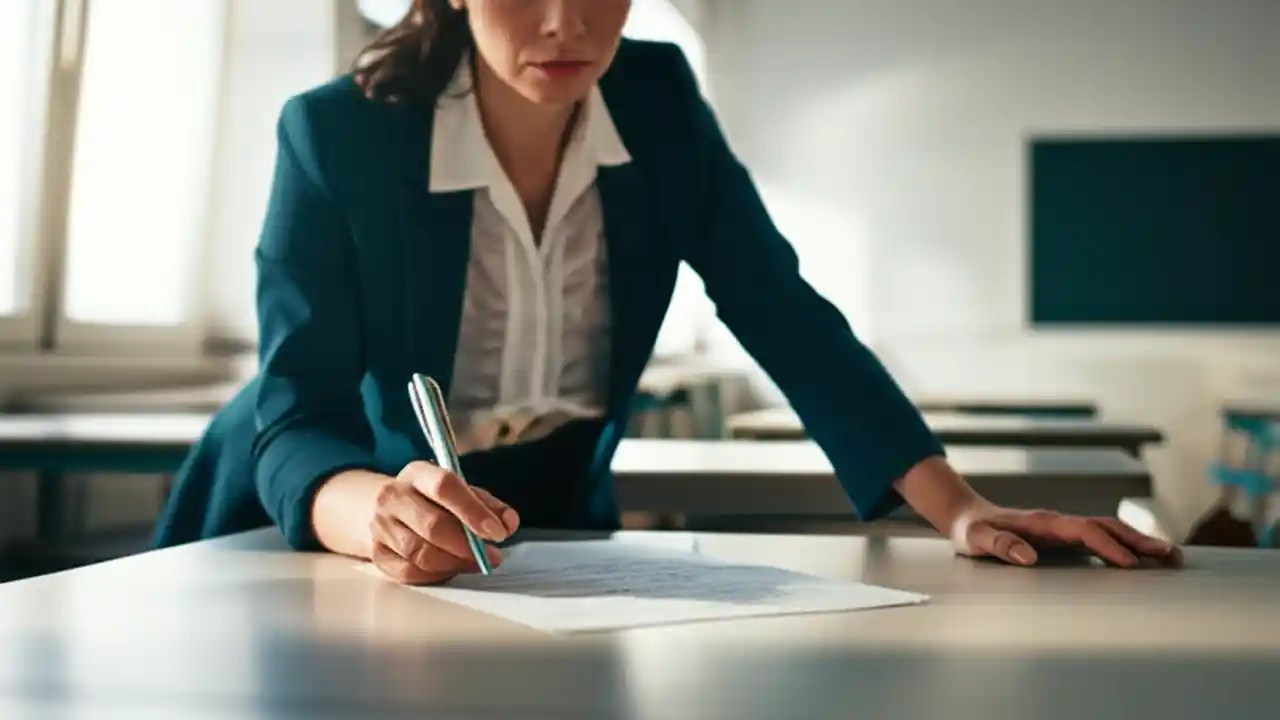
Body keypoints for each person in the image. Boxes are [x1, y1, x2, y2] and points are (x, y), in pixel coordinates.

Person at [155, 0, 1182, 583]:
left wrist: (956, 510)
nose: (565, 23)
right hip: (340, 515)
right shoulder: (337, 132)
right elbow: (297, 419)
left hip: (544, 515)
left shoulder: (656, 101)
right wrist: (373, 510)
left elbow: (779, 311)